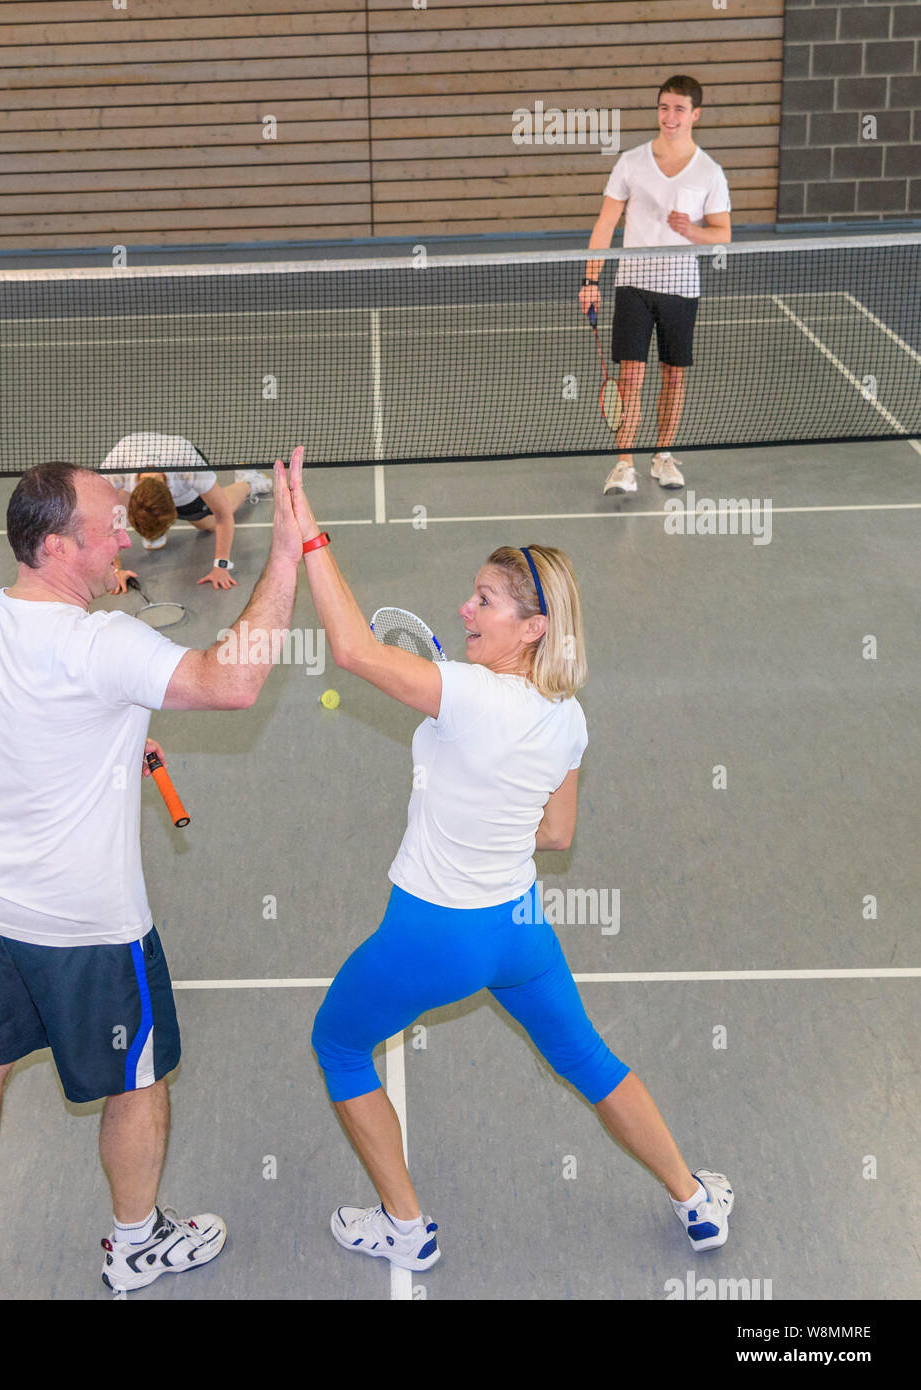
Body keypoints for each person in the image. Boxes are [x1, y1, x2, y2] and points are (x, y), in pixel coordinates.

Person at [284, 452, 733, 1269]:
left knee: (339, 1045)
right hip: (519, 928)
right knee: (588, 1059)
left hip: (436, 932)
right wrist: (488, 814)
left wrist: (308, 536)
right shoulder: (566, 717)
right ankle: (695, 1199)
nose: (464, 607)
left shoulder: (470, 694)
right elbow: (555, 833)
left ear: (533, 627)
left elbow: (349, 649)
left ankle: (408, 1228)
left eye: (483, 600)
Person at [0, 449, 303, 1294]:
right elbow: (231, 684)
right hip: (89, 929)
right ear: (56, 547)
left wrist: (102, 746)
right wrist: (285, 559)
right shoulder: (102, 642)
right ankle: (134, 1245)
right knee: (137, 1083)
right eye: (104, 526)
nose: (123, 531)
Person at [581, 76, 731, 496]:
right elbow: (605, 223)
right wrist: (590, 278)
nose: (670, 116)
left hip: (682, 288)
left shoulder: (709, 172)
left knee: (674, 377)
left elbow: (723, 233)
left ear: (695, 115)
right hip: (633, 285)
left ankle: (663, 455)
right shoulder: (630, 162)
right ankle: (624, 464)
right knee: (631, 377)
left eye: (679, 109)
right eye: (664, 107)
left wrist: (692, 231)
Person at [100, 432, 272, 593]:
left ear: (172, 503)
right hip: (132, 479)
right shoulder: (117, 465)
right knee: (114, 510)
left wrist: (221, 565)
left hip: (184, 486)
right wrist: (115, 569)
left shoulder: (189, 465)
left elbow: (223, 514)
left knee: (210, 523)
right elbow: (103, 522)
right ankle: (152, 524)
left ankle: (249, 482)